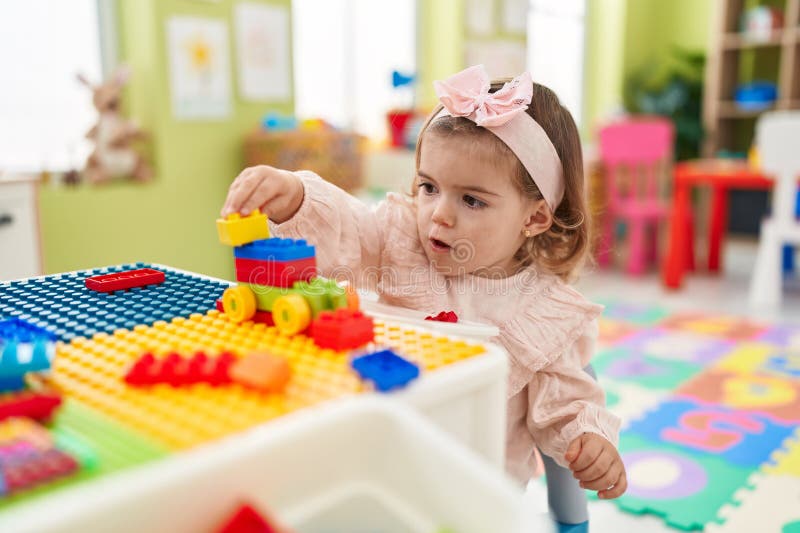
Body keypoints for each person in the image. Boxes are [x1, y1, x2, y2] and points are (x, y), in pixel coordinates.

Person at [221, 65, 626, 531]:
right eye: (429, 187)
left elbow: (566, 406)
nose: (438, 215)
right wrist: (294, 196)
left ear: (535, 218)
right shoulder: (399, 238)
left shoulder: (545, 312)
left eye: (471, 200)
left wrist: (589, 440)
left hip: (473, 497)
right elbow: (349, 229)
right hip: (381, 471)